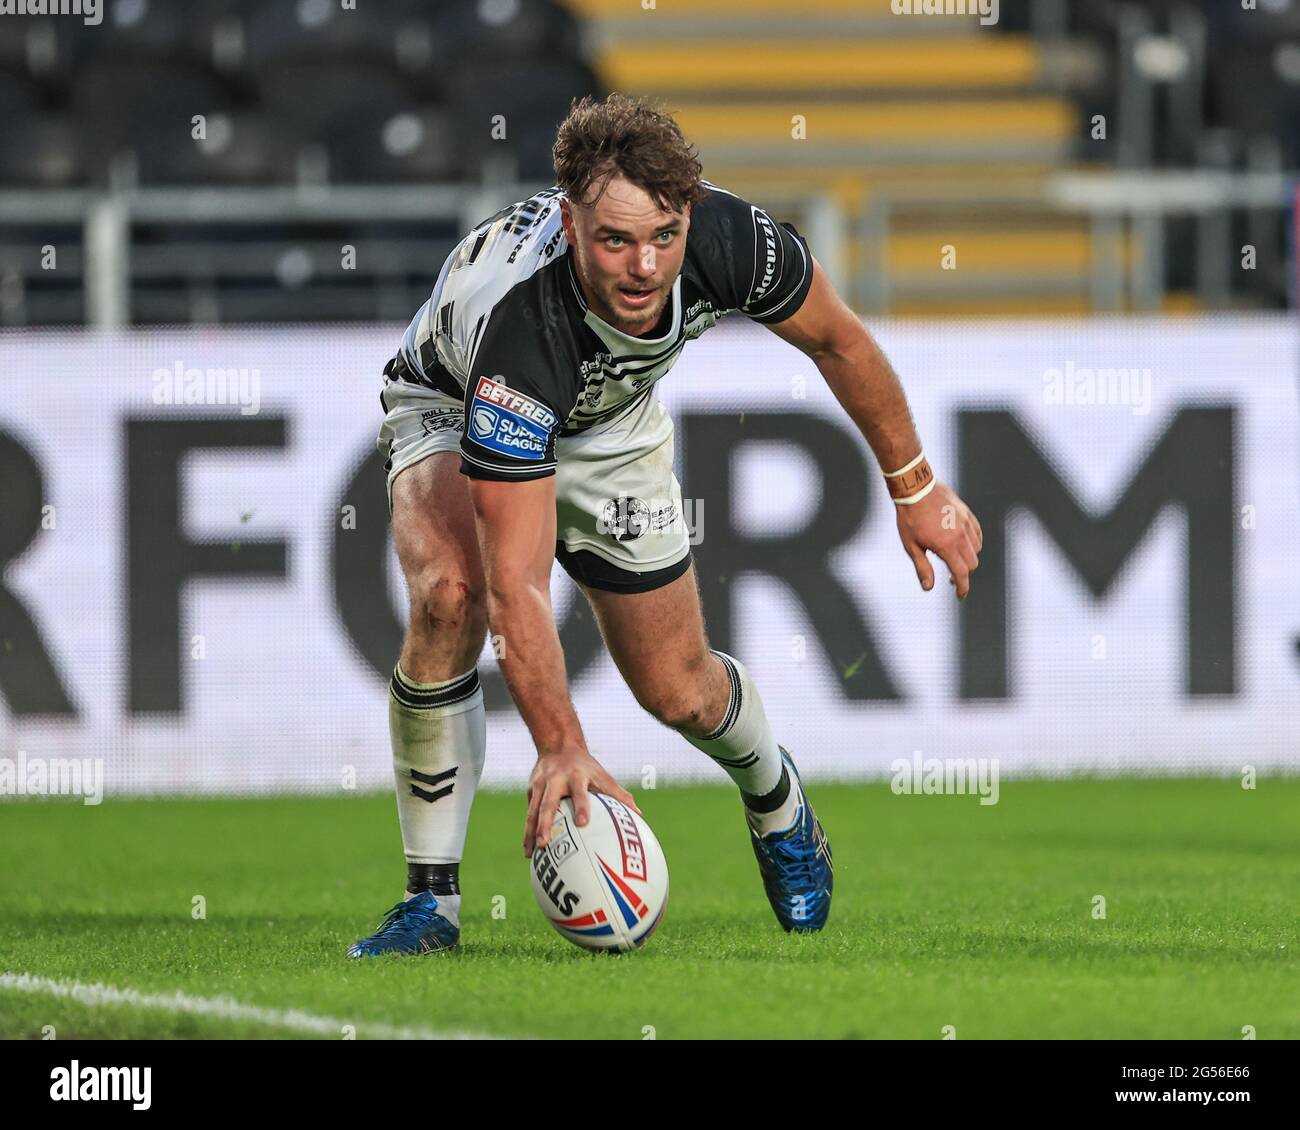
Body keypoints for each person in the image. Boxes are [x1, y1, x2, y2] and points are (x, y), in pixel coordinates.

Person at [349, 93, 981, 957]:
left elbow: (839, 342)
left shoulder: (730, 239)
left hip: (610, 425)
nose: (645, 267)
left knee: (677, 688)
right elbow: (518, 586)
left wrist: (917, 489)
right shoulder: (522, 337)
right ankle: (433, 903)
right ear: (572, 228)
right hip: (453, 403)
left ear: (688, 214)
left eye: (663, 237)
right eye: (615, 241)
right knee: (451, 597)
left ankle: (777, 801)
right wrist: (562, 747)